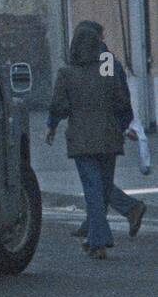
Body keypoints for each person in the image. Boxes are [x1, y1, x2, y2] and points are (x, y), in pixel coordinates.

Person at [48, 22, 133, 259]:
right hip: (109, 137)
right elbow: (121, 100)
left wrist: (51, 127)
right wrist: (125, 125)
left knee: (93, 190)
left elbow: (59, 107)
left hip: (81, 141)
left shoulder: (67, 73)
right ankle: (96, 239)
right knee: (103, 189)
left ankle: (98, 241)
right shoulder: (106, 68)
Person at [68, 21, 147, 240]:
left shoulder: (91, 63)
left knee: (96, 182)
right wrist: (125, 124)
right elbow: (119, 97)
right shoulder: (105, 62)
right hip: (107, 129)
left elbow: (109, 95)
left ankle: (128, 209)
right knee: (97, 180)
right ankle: (94, 225)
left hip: (93, 131)